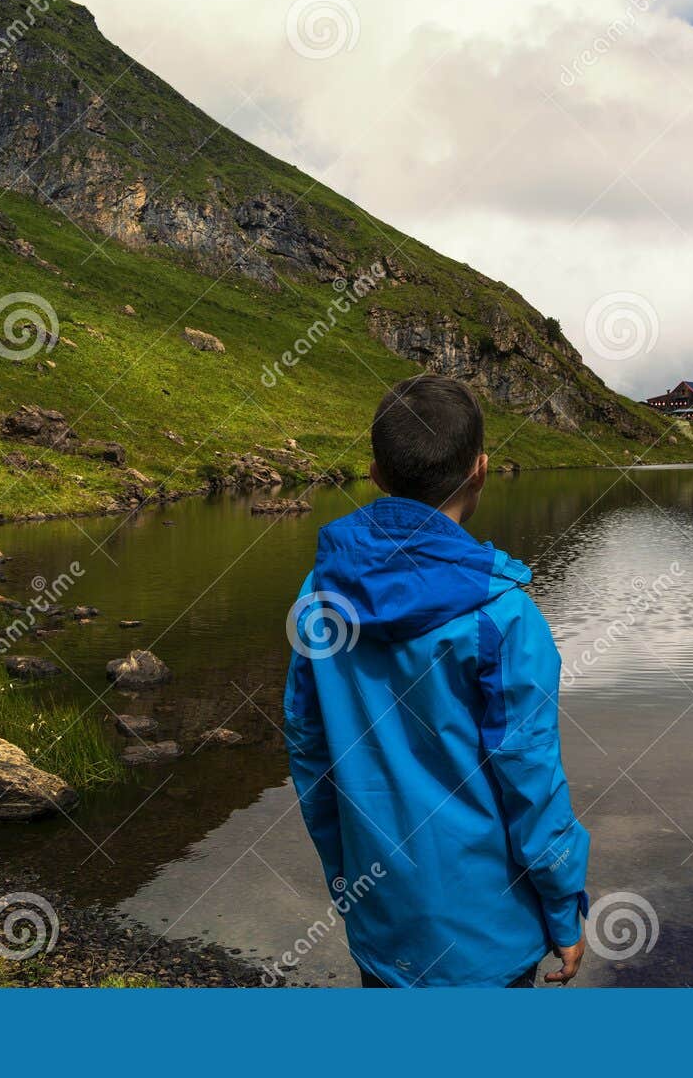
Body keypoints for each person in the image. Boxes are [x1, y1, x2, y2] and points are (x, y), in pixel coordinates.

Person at [284, 374, 590, 988]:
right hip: (489, 936)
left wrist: (346, 877)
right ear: (480, 470)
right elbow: (531, 776)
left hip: (382, 920)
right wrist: (563, 907)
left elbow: (309, 752)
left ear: (376, 474)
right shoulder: (504, 615)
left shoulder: (319, 596)